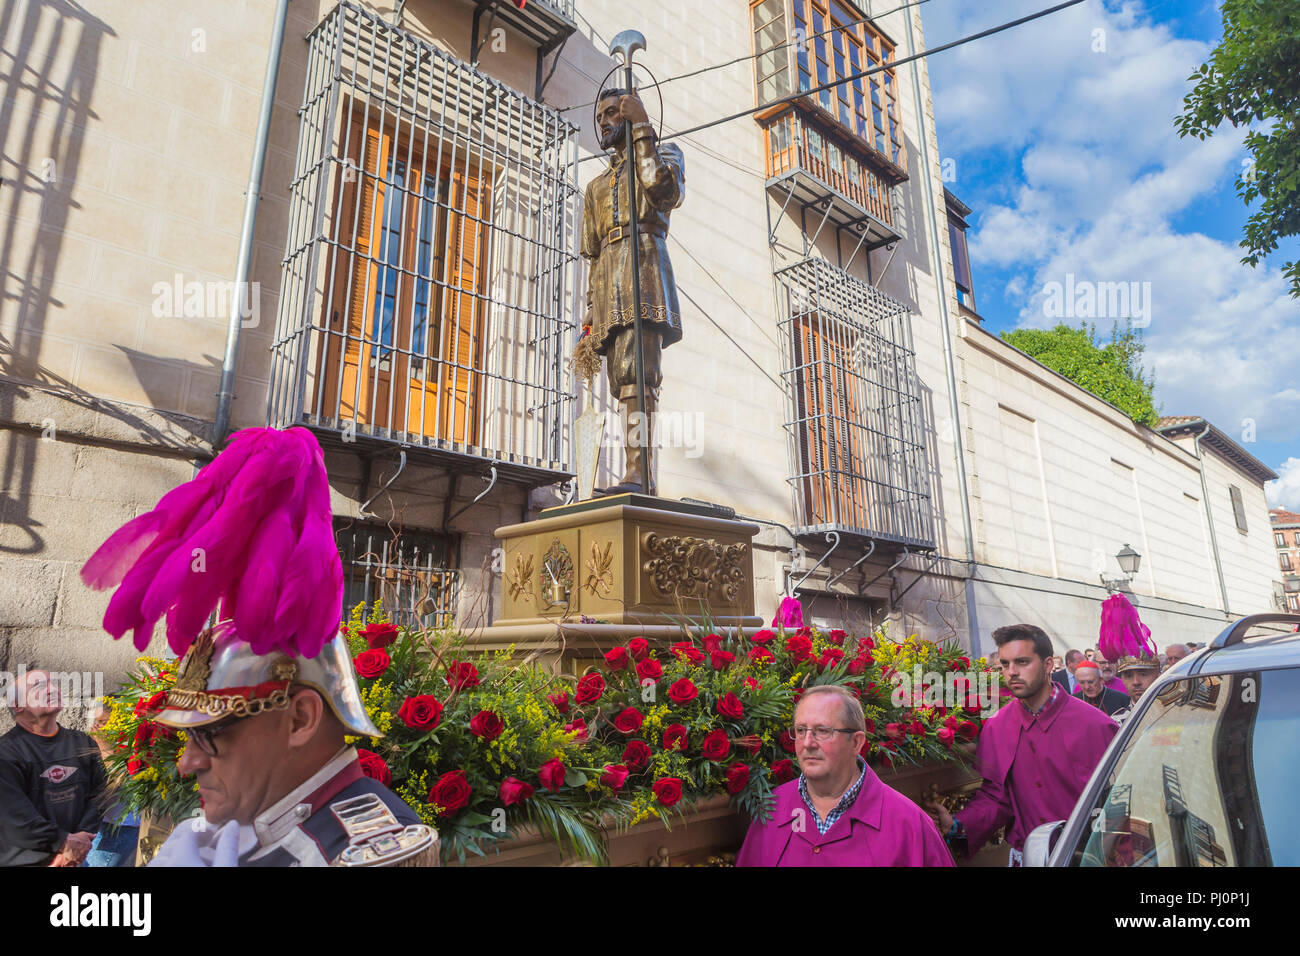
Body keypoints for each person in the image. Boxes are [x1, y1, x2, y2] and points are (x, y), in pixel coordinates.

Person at [80, 426, 438, 867]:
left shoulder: (365, 853)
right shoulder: (254, 822)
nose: (186, 764)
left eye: (211, 735)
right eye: (191, 737)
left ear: (300, 719)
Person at [926, 625, 1118, 866]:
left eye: (1022, 662)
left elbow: (1119, 804)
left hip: (1088, 858)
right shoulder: (997, 727)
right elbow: (996, 798)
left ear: (1048, 665)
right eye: (1005, 664)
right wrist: (957, 824)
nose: (1012, 672)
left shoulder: (1098, 726)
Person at [574, 86, 685, 494]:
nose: (604, 121)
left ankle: (640, 473)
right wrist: (590, 307)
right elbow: (593, 251)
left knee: (641, 374)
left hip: (645, 270)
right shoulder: (596, 187)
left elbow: (662, 190)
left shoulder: (664, 154)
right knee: (621, 378)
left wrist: (642, 127)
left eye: (612, 112)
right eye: (600, 115)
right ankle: (631, 472)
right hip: (609, 284)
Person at [737, 685, 953, 866]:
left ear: (856, 743)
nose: (808, 743)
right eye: (801, 730)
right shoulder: (772, 809)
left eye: (822, 731)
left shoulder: (909, 824)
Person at [0, 669, 107, 867]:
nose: (52, 689)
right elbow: (14, 818)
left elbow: (100, 796)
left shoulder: (82, 743)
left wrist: (77, 846)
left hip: (75, 858)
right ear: (17, 705)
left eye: (54, 683)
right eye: (39, 686)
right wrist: (63, 843)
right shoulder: (6, 753)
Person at [83, 702, 140, 867]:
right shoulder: (92, 746)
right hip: (97, 826)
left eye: (102, 721)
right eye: (95, 720)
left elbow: (109, 791)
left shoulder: (133, 752)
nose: (95, 726)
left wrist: (105, 748)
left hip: (118, 829)